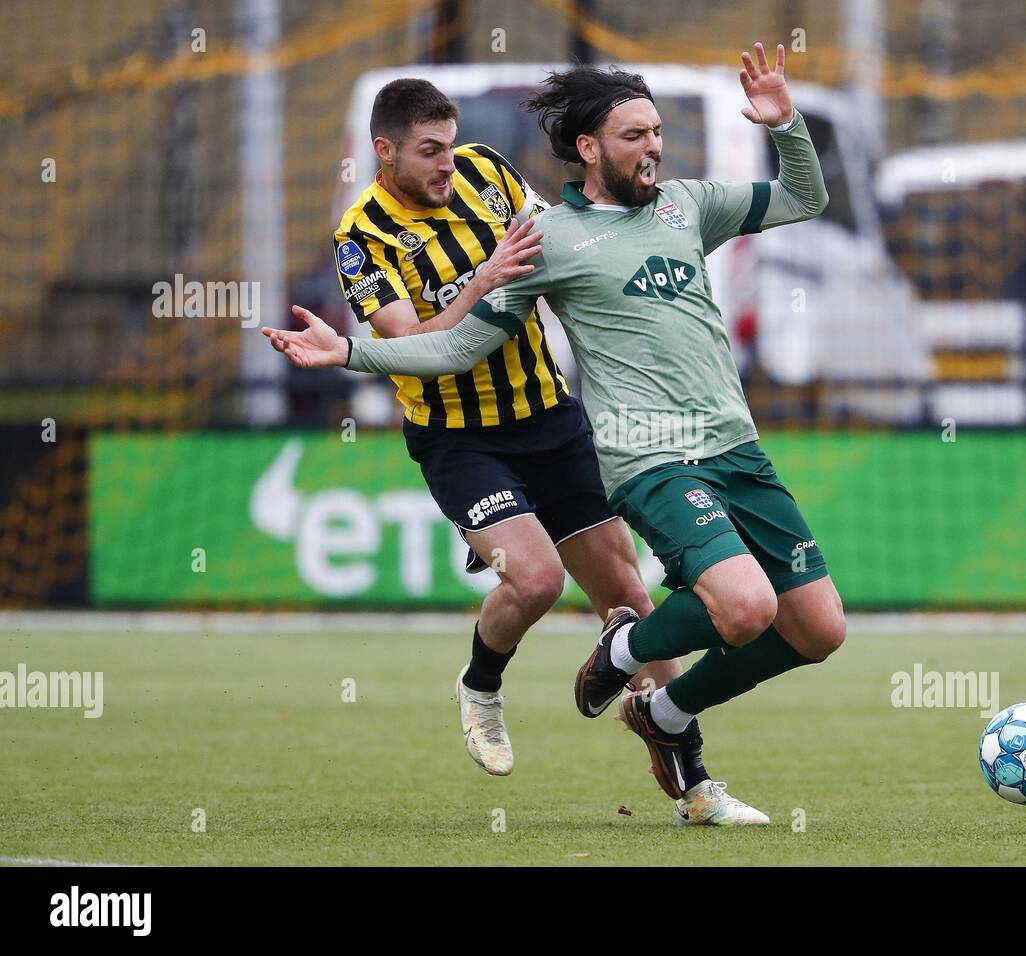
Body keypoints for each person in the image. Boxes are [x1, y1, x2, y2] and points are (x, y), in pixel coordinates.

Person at [265, 45, 845, 822]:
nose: (447, 162)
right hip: (477, 435)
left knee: (691, 605)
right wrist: (348, 350)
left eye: (656, 132)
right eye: (634, 134)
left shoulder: (590, 195)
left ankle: (684, 763)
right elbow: (443, 345)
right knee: (546, 580)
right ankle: (485, 685)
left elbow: (796, 197)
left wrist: (784, 124)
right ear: (386, 151)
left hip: (565, 416)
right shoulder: (368, 236)